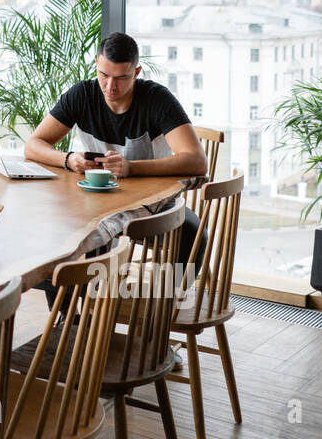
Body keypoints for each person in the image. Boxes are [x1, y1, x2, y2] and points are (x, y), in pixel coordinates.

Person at [24, 32, 209, 308]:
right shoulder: (82, 95)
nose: (110, 86)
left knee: (194, 234)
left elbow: (196, 161)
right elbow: (33, 145)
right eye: (103, 75)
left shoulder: (156, 98)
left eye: (121, 78)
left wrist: (131, 168)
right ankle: (72, 316)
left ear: (136, 72)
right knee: (64, 237)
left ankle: (161, 315)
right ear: (97, 65)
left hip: (150, 206)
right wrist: (68, 159)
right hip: (95, 204)